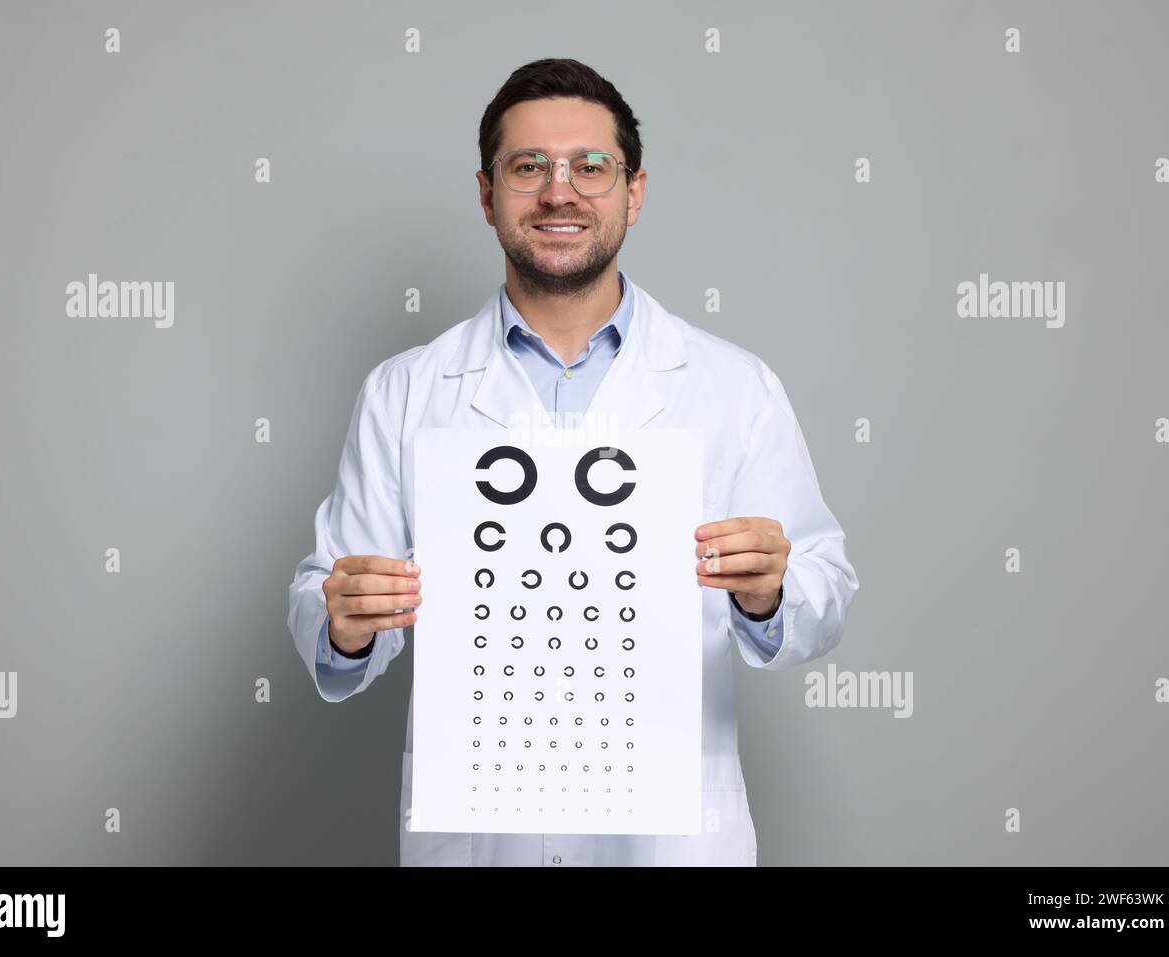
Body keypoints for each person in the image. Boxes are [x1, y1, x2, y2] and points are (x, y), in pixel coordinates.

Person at [287, 58, 859, 866]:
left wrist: (772, 592)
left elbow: (825, 594)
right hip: (483, 836)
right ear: (488, 195)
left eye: (592, 166)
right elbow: (325, 600)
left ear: (636, 191)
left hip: (666, 840)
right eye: (529, 167)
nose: (561, 191)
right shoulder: (406, 392)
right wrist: (343, 622)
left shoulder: (735, 389)